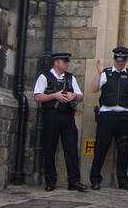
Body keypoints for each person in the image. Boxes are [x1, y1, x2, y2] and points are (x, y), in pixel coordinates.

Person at [88, 45, 128, 190]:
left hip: (124, 117)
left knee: (123, 150)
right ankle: (95, 179)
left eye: (123, 60)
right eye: (118, 60)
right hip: (107, 116)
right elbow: (93, 89)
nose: (120, 63)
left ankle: (123, 181)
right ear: (114, 59)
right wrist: (99, 73)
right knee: (100, 148)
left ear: (126, 60)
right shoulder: (106, 73)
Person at [33, 52, 87, 191]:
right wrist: (54, 95)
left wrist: (73, 95)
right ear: (56, 62)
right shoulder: (44, 77)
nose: (66, 63)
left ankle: (74, 181)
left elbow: (80, 96)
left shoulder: (70, 78)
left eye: (67, 61)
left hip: (67, 116)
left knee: (71, 149)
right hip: (51, 116)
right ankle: (50, 181)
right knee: (49, 148)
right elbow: (38, 96)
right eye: (64, 61)